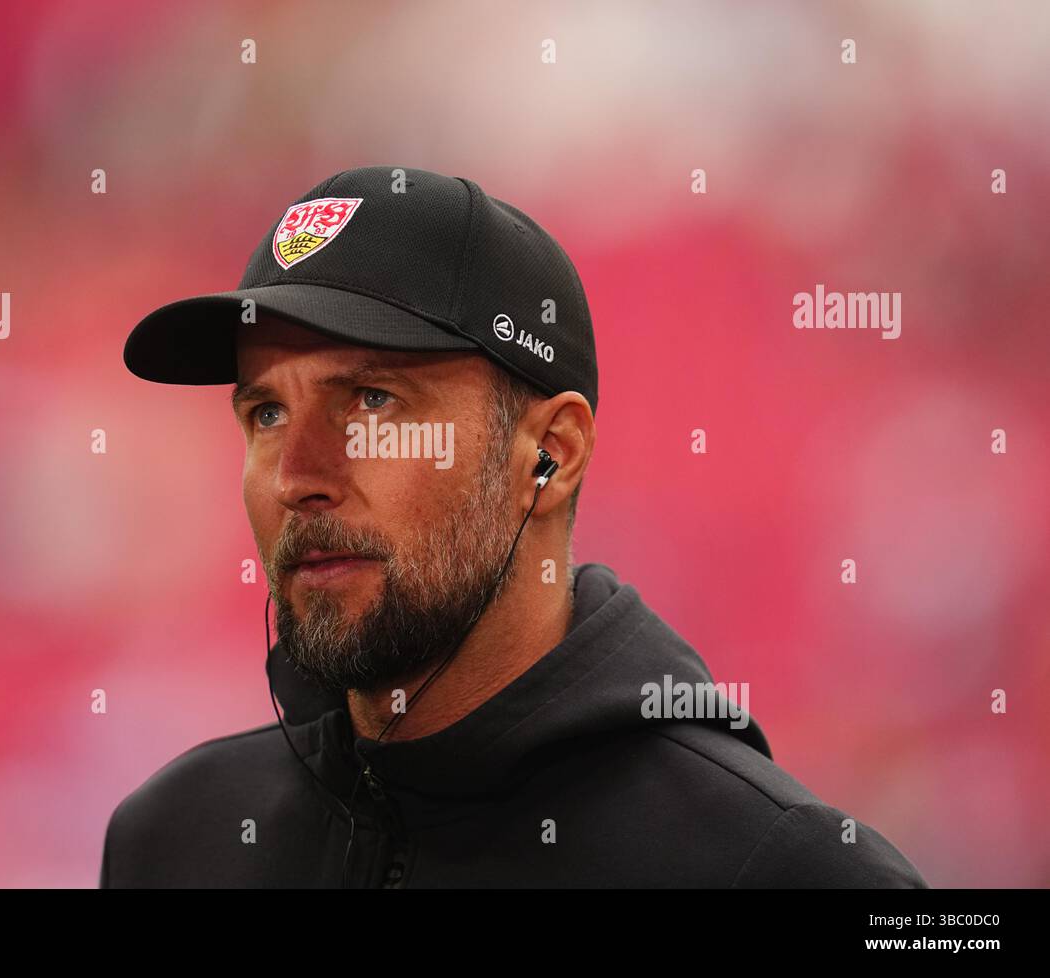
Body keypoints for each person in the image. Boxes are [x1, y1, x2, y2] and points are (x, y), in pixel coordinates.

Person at [100, 165, 927, 888]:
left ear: (551, 455)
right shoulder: (175, 839)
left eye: (373, 401)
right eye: (268, 412)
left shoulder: (779, 868)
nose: (296, 477)